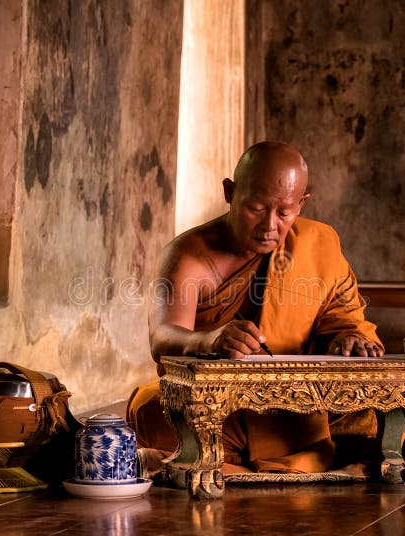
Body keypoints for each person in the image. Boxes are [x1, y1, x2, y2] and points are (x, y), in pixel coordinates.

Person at [127, 141, 384, 476]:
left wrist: (346, 339)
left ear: (302, 204)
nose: (269, 225)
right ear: (230, 192)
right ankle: (280, 462)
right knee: (152, 408)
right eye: (257, 208)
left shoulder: (319, 243)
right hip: (218, 401)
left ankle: (195, 464)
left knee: (369, 410)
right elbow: (162, 338)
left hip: (294, 404)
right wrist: (209, 340)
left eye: (284, 212)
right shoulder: (188, 255)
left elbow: (342, 319)